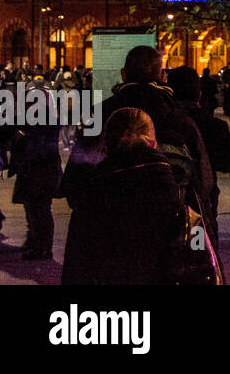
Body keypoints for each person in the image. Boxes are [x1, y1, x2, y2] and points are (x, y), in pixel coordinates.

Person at [62, 46, 214, 223]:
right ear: (161, 76)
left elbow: (75, 178)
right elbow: (203, 182)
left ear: (124, 74)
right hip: (163, 224)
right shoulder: (178, 118)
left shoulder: (100, 114)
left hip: (108, 223)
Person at [62, 107, 186, 284]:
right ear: (153, 139)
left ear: (108, 139)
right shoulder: (170, 177)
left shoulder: (97, 185)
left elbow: (78, 257)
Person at [167, 65, 230, 245]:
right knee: (199, 250)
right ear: (199, 93)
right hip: (201, 203)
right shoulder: (214, 126)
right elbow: (228, 163)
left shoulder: (161, 123)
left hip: (167, 201)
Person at [6, 82, 63, 260]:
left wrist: (22, 138)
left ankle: (42, 247)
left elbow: (36, 145)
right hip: (38, 170)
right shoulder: (37, 117)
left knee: (39, 210)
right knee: (36, 209)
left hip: (39, 171)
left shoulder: (42, 118)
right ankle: (38, 244)